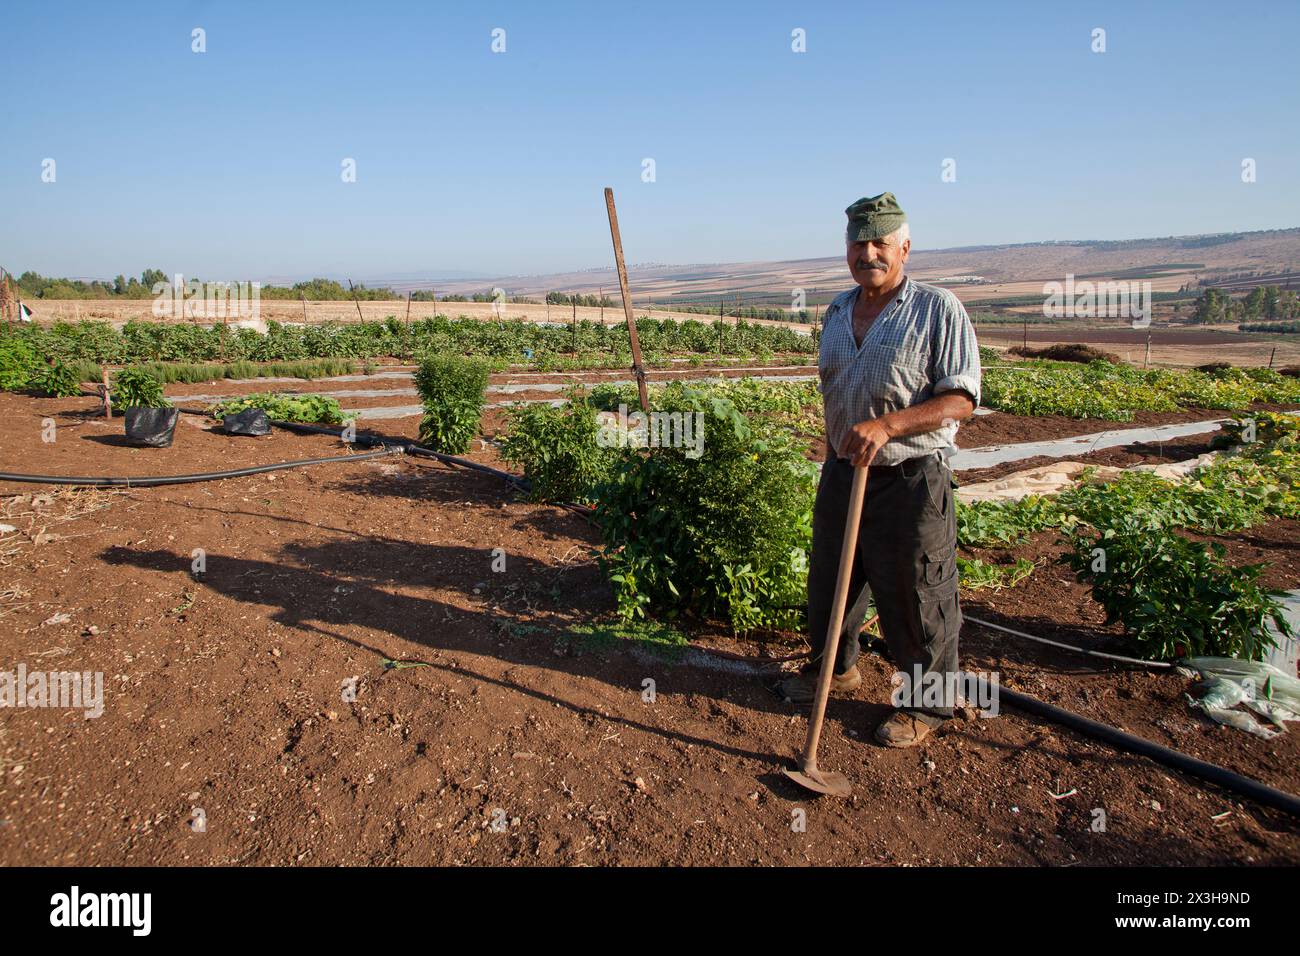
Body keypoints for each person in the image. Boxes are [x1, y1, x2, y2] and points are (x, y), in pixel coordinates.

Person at [779, 193, 981, 748]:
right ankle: (835, 671)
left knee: (918, 591)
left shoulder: (939, 309)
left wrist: (889, 426)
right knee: (832, 584)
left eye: (880, 243)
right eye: (858, 243)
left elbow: (961, 398)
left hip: (911, 477)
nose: (868, 252)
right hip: (844, 471)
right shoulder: (839, 310)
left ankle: (927, 704)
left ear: (904, 247)